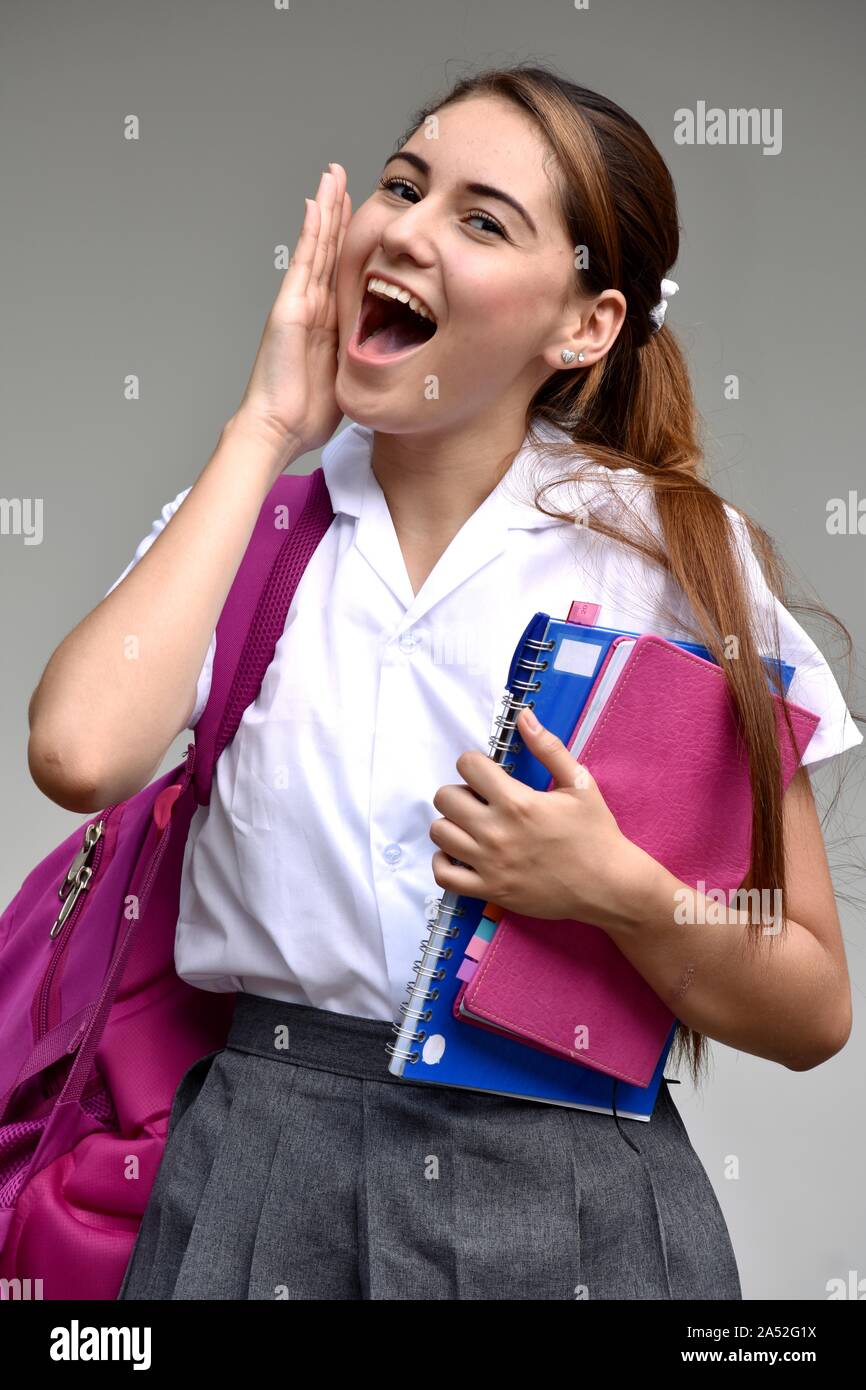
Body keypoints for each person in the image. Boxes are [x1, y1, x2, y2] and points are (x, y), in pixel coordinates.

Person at [28, 64, 861, 1301]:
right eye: (402, 184)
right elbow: (78, 755)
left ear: (583, 325)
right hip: (255, 1170)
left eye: (480, 219)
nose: (405, 229)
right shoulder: (249, 530)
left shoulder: (669, 559)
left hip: (575, 1196)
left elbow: (807, 1001)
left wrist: (616, 891)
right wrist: (261, 426)